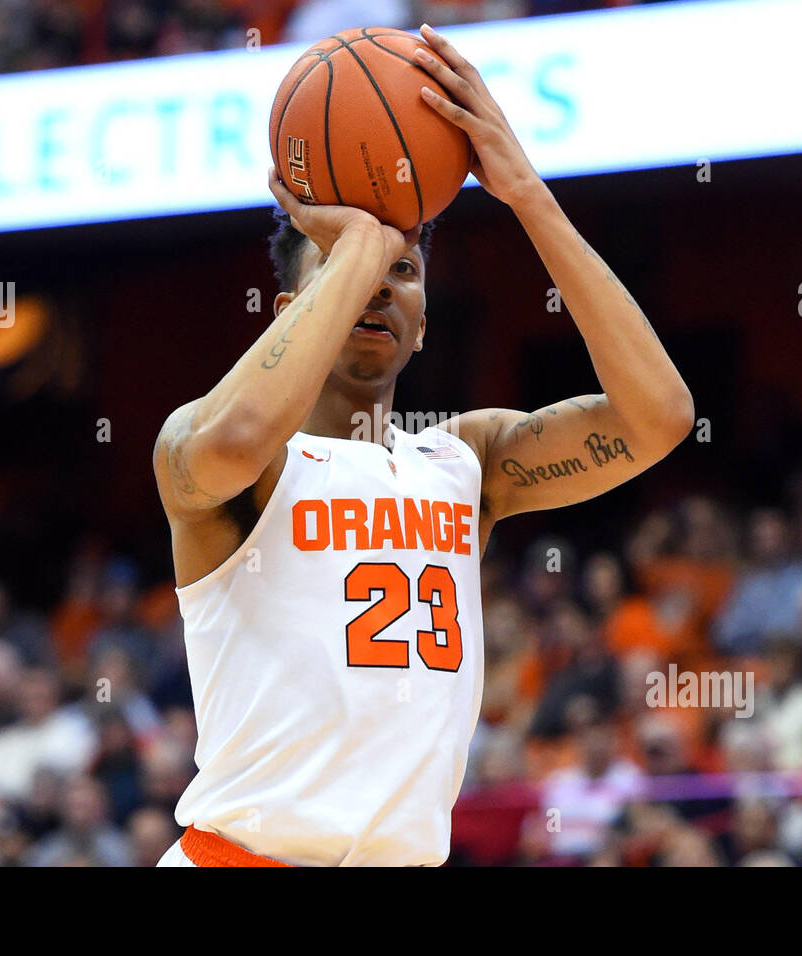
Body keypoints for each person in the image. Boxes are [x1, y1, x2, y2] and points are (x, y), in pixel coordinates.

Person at [152, 24, 693, 867]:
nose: (378, 282)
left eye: (406, 271)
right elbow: (241, 438)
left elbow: (658, 417)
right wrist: (366, 240)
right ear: (288, 312)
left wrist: (527, 196)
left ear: (426, 319)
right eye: (337, 265)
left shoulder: (463, 462)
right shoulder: (216, 451)